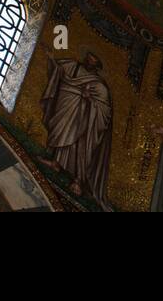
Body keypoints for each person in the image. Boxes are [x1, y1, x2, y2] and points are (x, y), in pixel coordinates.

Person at [39, 48, 112, 209]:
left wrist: (89, 101)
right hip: (64, 106)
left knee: (79, 146)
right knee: (59, 132)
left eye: (93, 61)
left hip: (83, 120)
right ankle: (55, 162)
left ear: (96, 66)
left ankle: (78, 180)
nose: (89, 61)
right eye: (88, 58)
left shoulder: (99, 86)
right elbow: (58, 70)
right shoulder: (72, 66)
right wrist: (51, 59)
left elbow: (105, 112)